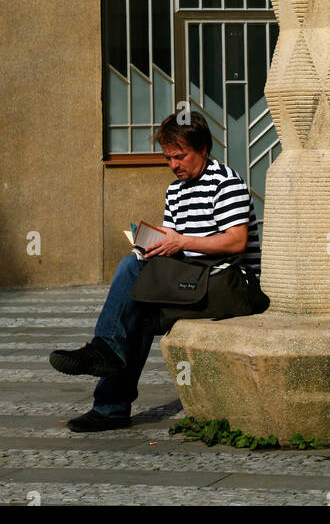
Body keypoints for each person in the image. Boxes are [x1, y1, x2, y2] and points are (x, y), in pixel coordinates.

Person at [49, 109, 262, 433]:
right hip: (191, 276)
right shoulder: (175, 190)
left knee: (132, 284)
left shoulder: (226, 183)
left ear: (203, 149)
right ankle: (109, 385)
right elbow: (170, 240)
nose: (174, 165)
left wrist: (180, 242)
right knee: (137, 286)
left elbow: (235, 242)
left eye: (180, 156)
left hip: (227, 281)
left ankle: (109, 390)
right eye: (168, 158)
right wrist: (151, 245)